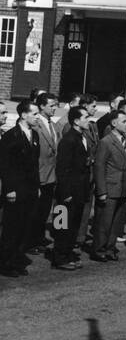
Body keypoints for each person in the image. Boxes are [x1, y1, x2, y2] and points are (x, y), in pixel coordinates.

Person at [0, 101, 40, 277]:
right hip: (16, 189)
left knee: (24, 226)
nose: (37, 117)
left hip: (30, 189)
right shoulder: (11, 136)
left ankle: (17, 259)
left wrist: (36, 187)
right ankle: (5, 263)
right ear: (24, 115)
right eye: (35, 114)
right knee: (12, 227)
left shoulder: (35, 135)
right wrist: (9, 189)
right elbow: (6, 166)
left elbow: (34, 165)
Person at [91, 106, 126, 262]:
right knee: (104, 221)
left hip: (122, 187)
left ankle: (110, 247)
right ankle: (99, 249)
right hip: (110, 188)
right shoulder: (106, 142)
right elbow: (99, 166)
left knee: (116, 222)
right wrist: (102, 191)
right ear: (114, 123)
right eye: (124, 121)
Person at [53, 105, 90, 270]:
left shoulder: (82, 137)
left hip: (79, 190)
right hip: (68, 193)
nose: (88, 120)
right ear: (76, 121)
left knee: (73, 225)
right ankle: (59, 258)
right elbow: (62, 169)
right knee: (63, 226)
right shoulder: (68, 140)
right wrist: (66, 193)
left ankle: (68, 255)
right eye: (85, 118)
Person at [29, 92, 59, 251]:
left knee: (44, 211)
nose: (55, 108)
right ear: (41, 106)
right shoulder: (35, 124)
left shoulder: (52, 125)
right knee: (35, 211)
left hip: (51, 175)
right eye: (51, 105)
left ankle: (38, 239)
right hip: (40, 175)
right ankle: (30, 242)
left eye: (55, 105)